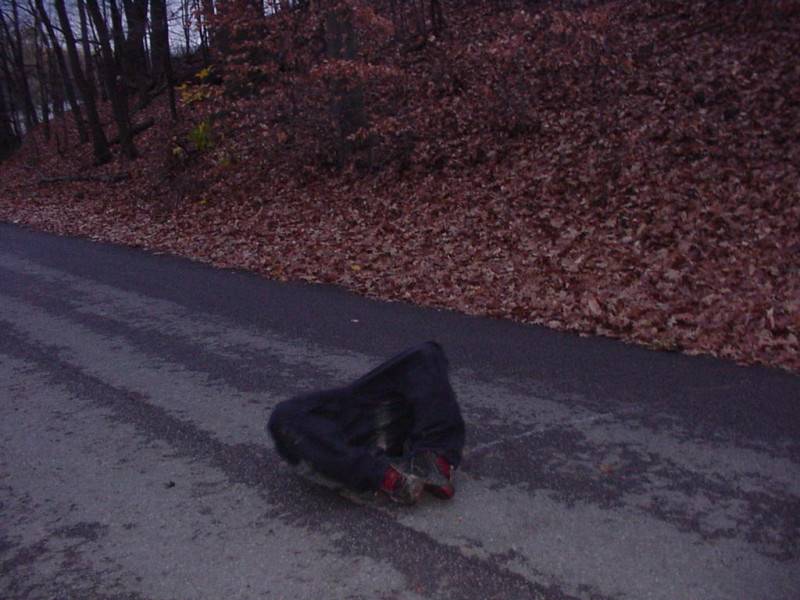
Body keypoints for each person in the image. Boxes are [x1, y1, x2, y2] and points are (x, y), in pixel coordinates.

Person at [267, 342, 466, 505]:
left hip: (378, 414)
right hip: (344, 442)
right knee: (284, 416)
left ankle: (433, 457)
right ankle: (384, 477)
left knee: (426, 354)